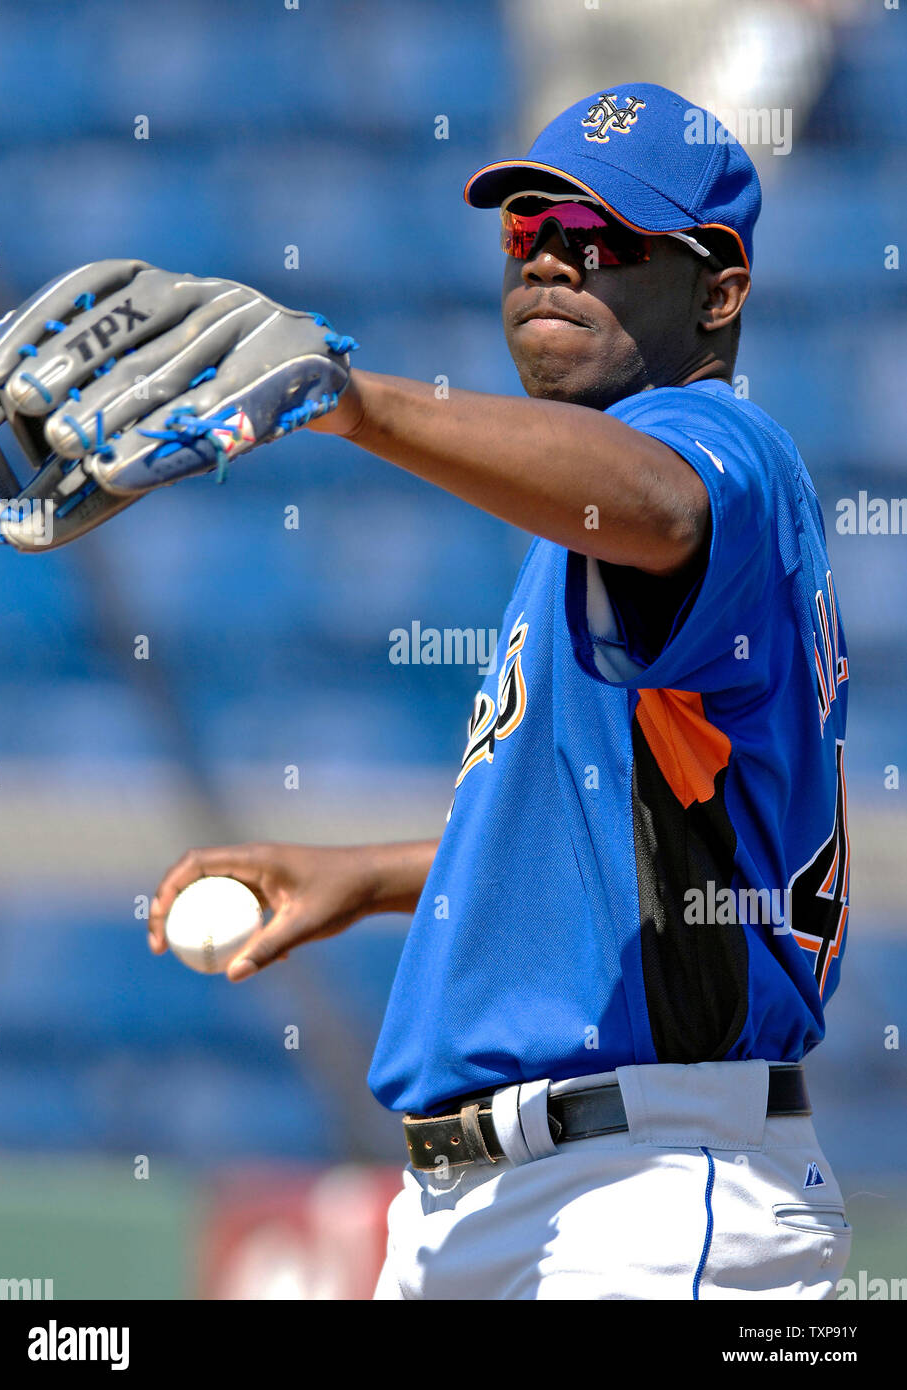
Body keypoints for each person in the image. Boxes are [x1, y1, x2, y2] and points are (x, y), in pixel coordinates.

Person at [148, 83, 852, 1300]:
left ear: (717, 291)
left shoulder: (722, 451)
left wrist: (350, 401)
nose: (548, 265)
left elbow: (662, 500)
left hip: (638, 1195)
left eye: (599, 239)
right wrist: (369, 874)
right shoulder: (576, 532)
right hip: (504, 1206)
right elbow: (613, 839)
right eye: (525, 234)